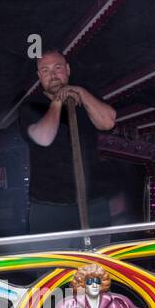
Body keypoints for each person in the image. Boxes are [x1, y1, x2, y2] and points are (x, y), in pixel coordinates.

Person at [21, 50, 116, 240]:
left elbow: (108, 122)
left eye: (57, 68)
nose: (53, 75)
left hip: (92, 204)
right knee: (52, 268)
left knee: (97, 267)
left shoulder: (86, 97)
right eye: (45, 71)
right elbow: (43, 138)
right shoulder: (31, 106)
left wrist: (80, 92)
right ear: (39, 77)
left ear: (68, 69)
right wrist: (57, 102)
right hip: (48, 207)